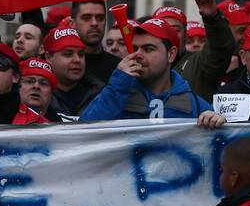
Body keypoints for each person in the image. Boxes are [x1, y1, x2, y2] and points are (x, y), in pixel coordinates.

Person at [78, 18, 221, 126]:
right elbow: (85, 132)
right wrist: (118, 85)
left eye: (148, 49)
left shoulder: (194, 104)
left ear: (171, 54)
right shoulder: (118, 91)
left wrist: (217, 120)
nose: (137, 55)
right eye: (135, 48)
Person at [44, 26, 104, 119]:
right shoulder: (37, 95)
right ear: (48, 57)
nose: (77, 60)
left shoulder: (100, 93)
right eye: (68, 54)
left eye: (81, 54)